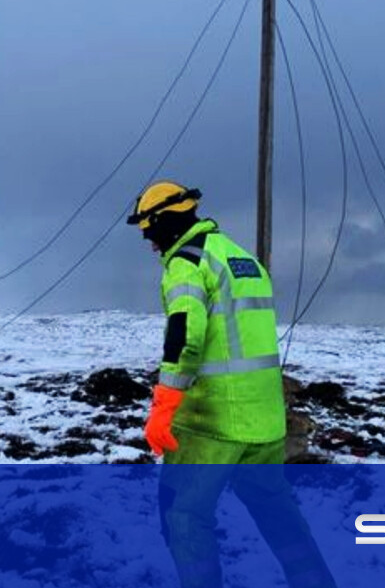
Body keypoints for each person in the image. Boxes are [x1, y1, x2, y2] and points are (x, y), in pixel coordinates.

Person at [127, 181, 335, 588]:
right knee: (279, 517)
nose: (148, 243)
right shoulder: (243, 258)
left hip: (212, 425)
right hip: (265, 424)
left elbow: (186, 337)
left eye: (148, 231)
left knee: (184, 517)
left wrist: (164, 408)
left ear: (166, 222)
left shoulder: (186, 263)